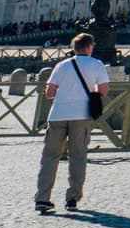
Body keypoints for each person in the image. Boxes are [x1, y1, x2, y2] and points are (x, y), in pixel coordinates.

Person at [35, 32, 110, 214]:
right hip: (81, 115)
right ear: (89, 47)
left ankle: (42, 198)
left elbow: (49, 93)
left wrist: (65, 92)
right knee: (78, 157)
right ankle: (72, 199)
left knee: (49, 157)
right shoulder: (97, 65)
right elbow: (103, 91)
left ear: (74, 48)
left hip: (58, 115)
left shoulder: (61, 65)